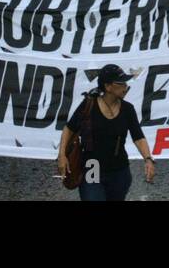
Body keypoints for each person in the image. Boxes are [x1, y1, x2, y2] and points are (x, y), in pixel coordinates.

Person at [58, 63, 156, 201]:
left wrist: (148, 159)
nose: (125, 86)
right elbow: (69, 129)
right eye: (121, 83)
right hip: (92, 168)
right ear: (108, 86)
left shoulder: (128, 109)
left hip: (119, 171)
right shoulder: (89, 105)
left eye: (125, 83)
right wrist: (62, 155)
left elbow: (138, 137)